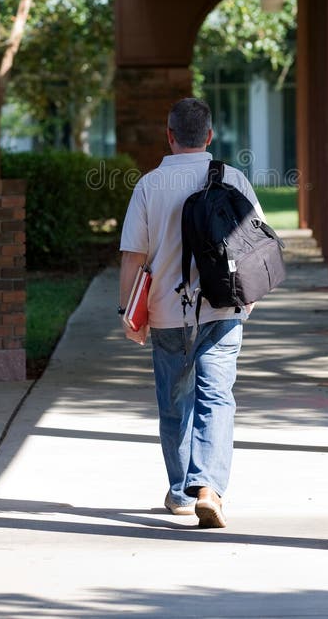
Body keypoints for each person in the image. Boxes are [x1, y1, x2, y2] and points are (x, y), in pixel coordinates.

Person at [119, 97, 265, 529]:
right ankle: (209, 488)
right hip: (222, 307)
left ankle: (182, 491)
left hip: (166, 312)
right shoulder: (233, 178)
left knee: (174, 403)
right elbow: (257, 244)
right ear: (209, 136)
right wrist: (248, 297)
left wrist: (127, 312)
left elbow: (133, 256)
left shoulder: (149, 185)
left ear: (169, 135)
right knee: (217, 397)